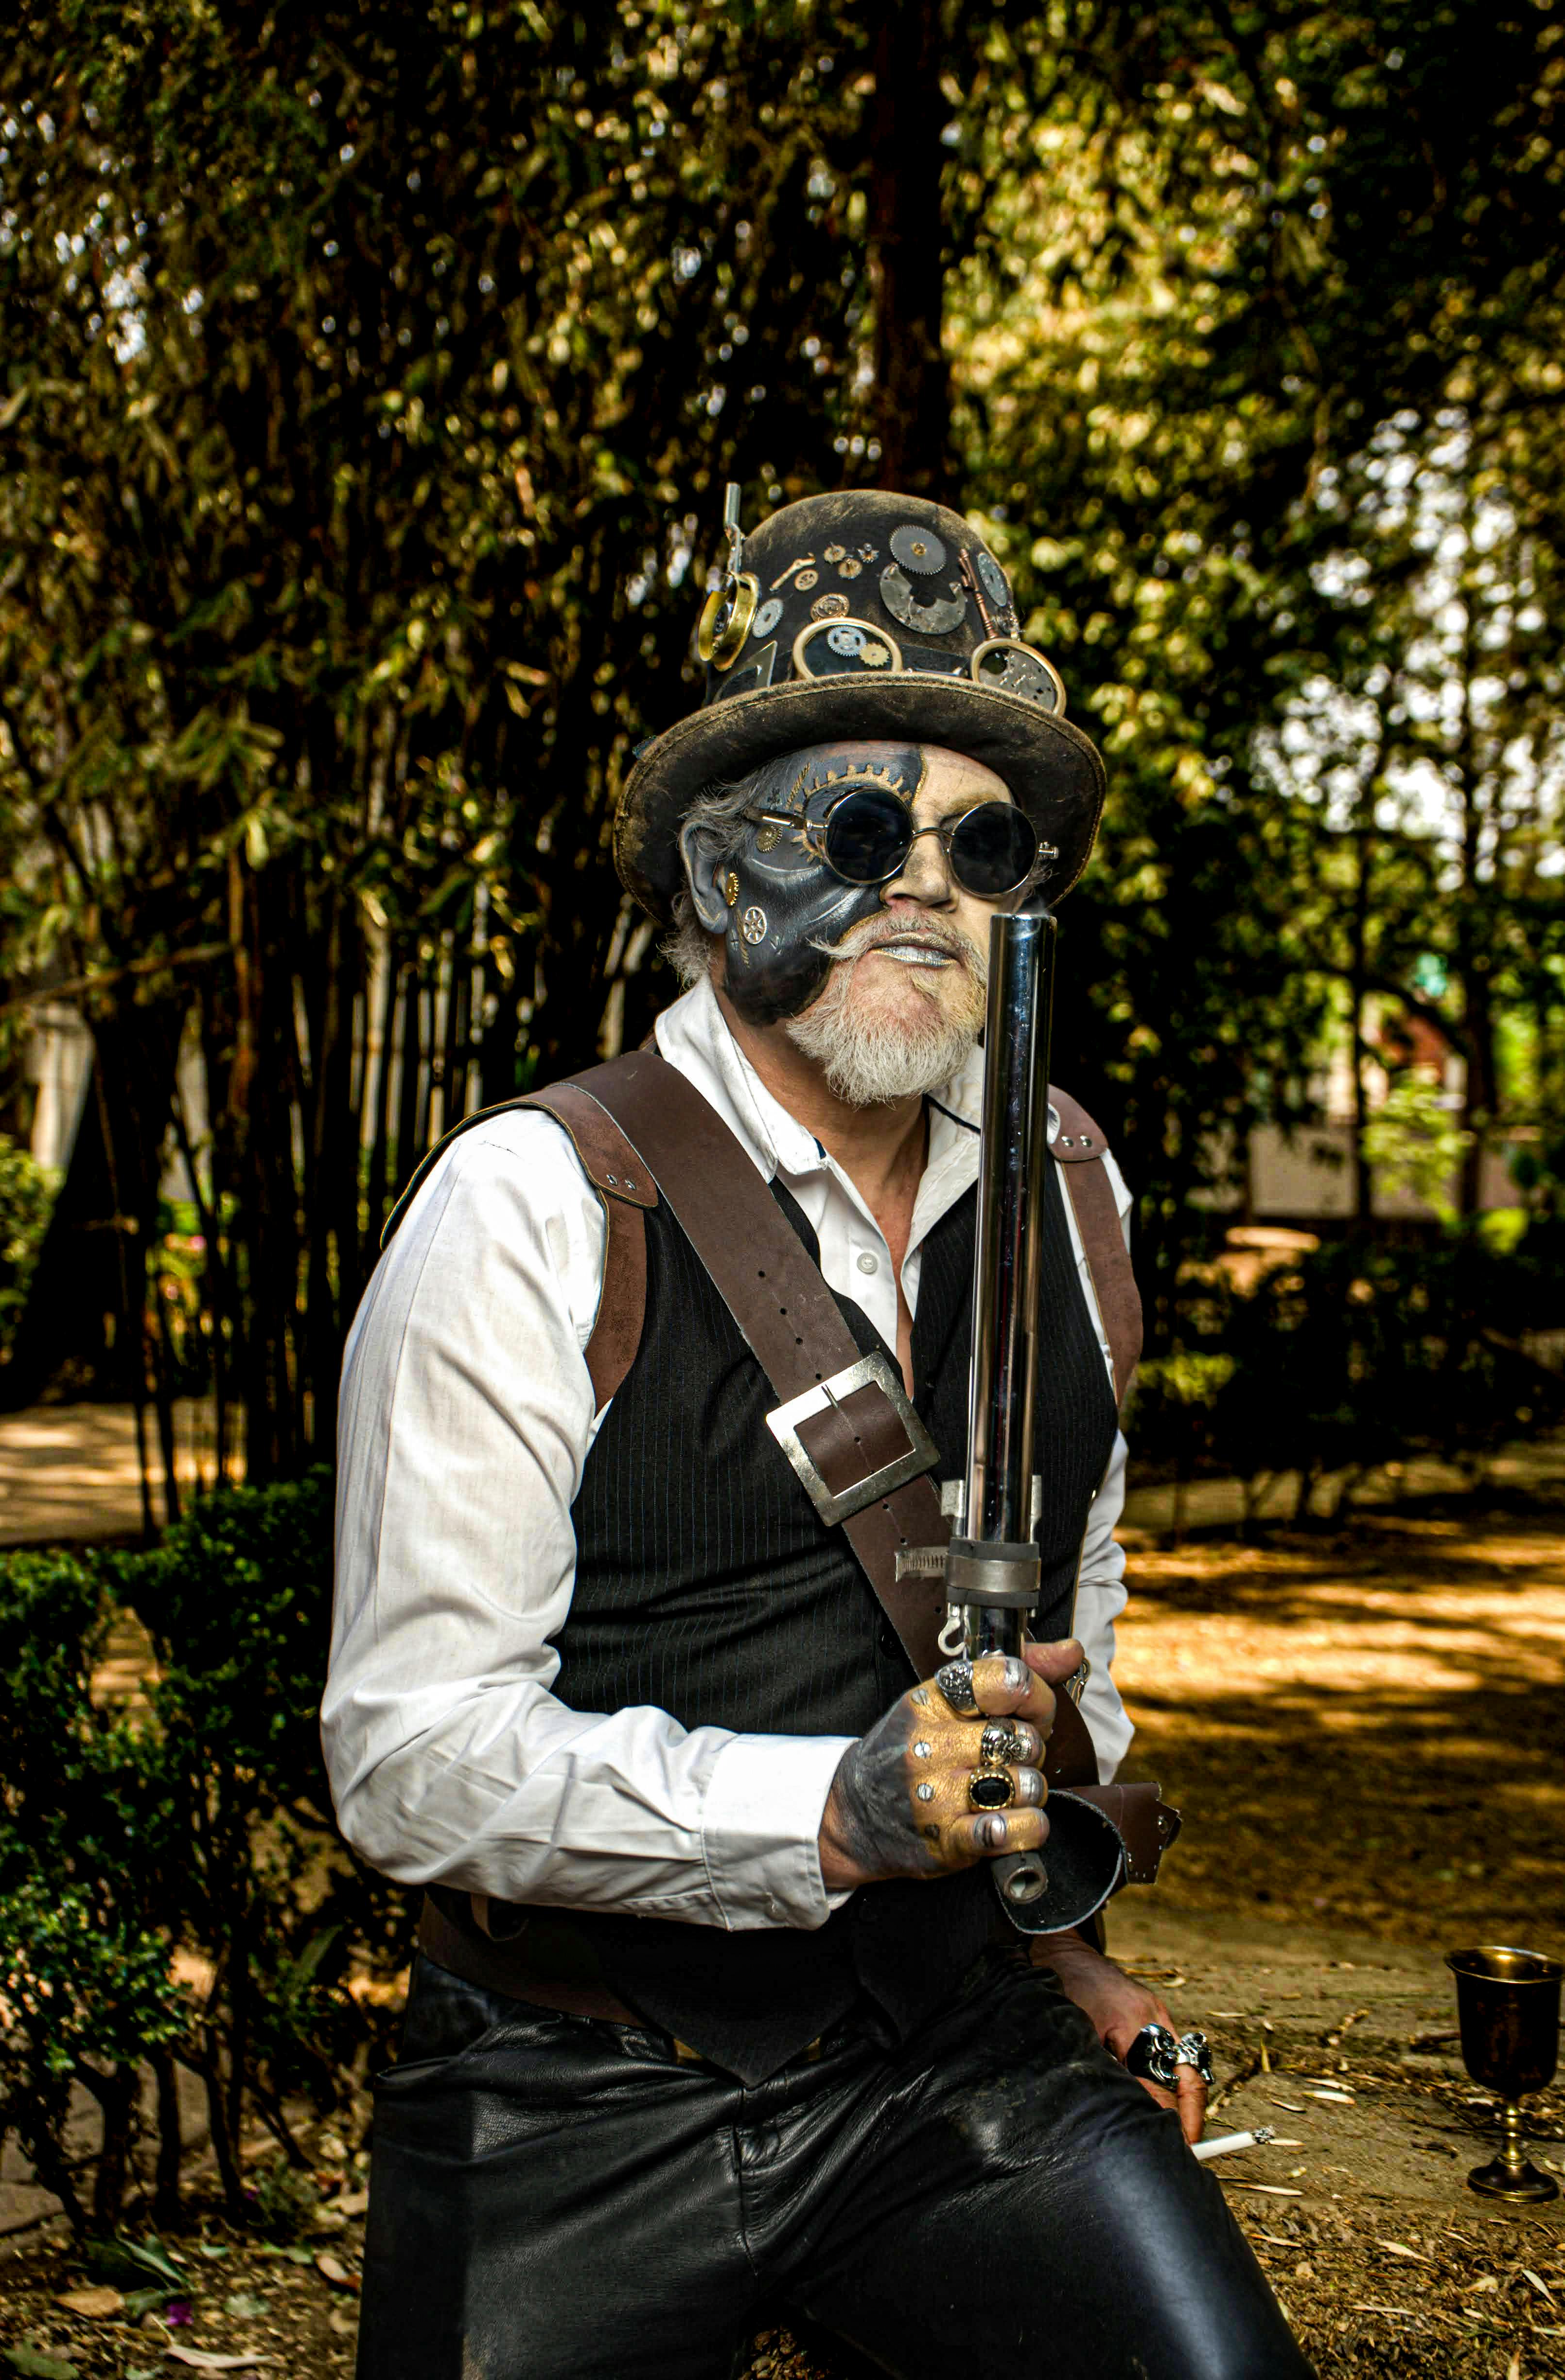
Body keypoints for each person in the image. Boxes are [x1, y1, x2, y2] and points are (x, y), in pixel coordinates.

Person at [324, 489, 1313, 2380]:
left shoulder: (1072, 1180)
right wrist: (828, 1816)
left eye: (977, 837)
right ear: (714, 878)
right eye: (852, 823)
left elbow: (1061, 1606)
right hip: (571, 2092)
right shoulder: (533, 1201)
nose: (918, 881)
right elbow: (407, 1760)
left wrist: (1054, 1949)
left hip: (953, 2063)